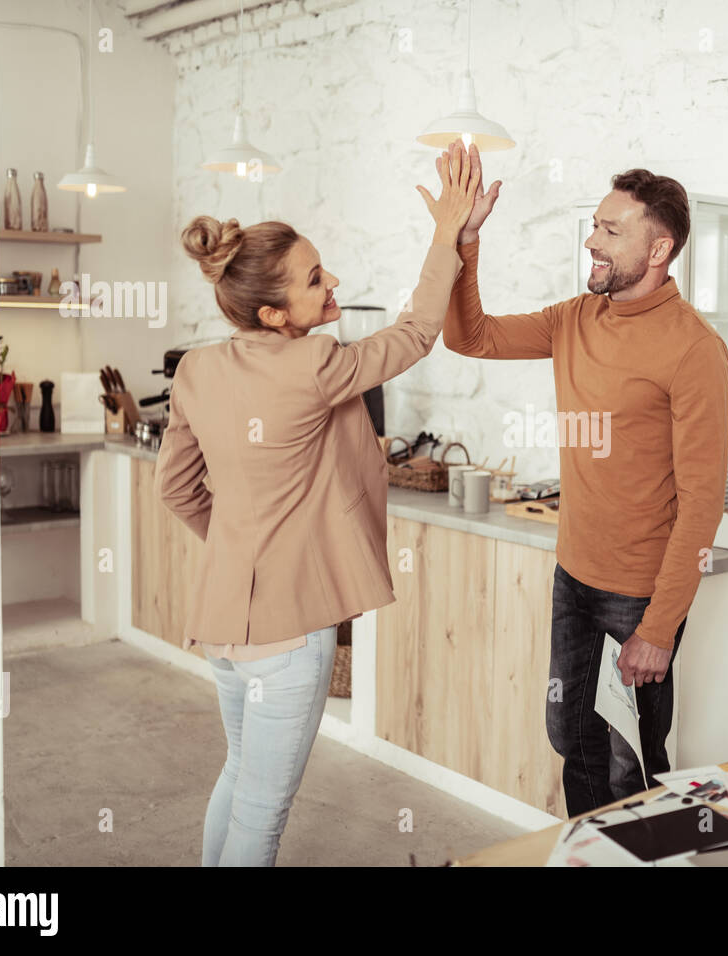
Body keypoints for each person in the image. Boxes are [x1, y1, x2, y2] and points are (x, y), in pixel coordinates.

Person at [155, 142, 479, 865]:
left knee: (238, 775)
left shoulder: (198, 369)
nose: (332, 281)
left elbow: (175, 488)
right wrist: (446, 234)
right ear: (273, 314)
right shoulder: (316, 363)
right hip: (290, 633)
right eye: (313, 279)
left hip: (224, 631)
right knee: (263, 820)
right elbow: (418, 333)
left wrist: (242, 542)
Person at [443, 144, 728, 816]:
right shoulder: (576, 318)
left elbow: (701, 502)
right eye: (594, 226)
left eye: (610, 230)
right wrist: (465, 243)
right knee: (572, 740)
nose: (591, 241)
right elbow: (471, 336)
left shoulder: (694, 349)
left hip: (638, 593)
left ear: (658, 250)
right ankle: (590, 856)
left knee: (633, 763)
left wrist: (659, 628)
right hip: (574, 575)